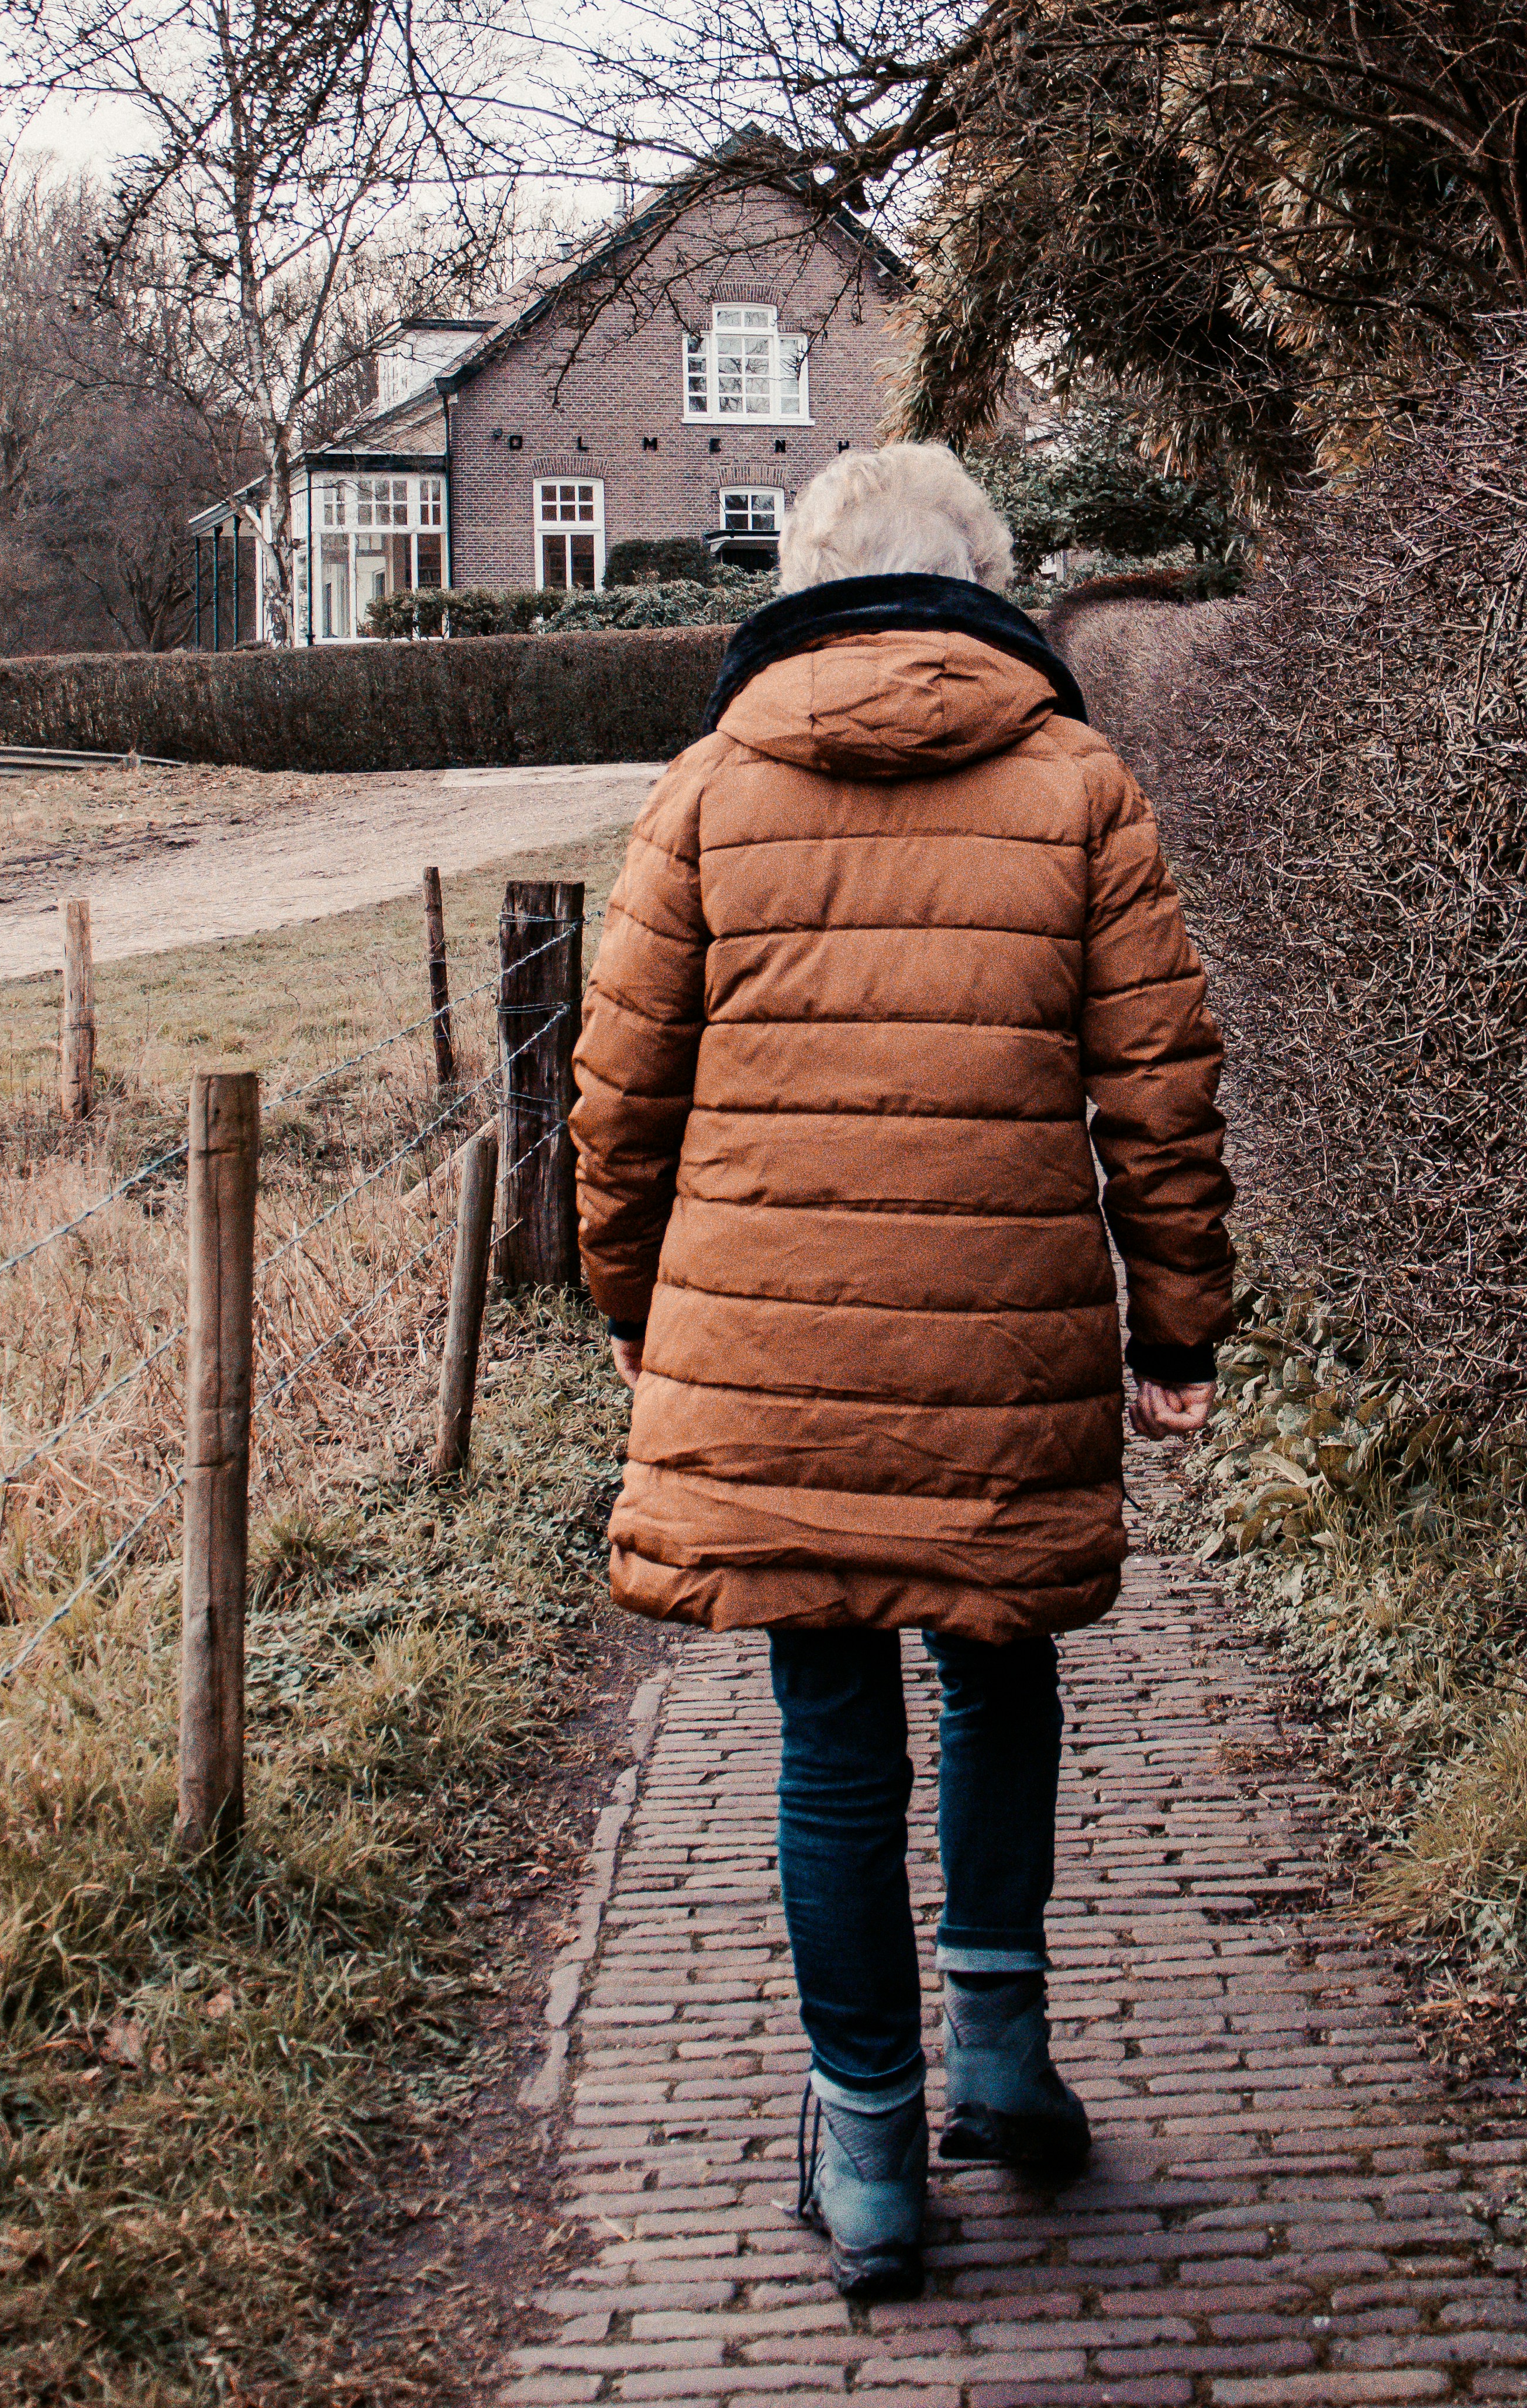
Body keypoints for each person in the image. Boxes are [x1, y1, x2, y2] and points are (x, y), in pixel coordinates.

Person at [569, 442, 1234, 2302]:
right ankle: (1004, 2066)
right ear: (991, 582)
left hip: (770, 1354)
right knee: (1001, 1670)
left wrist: (635, 1304)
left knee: (832, 1740)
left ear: (802, 582)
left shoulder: (708, 791)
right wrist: (1176, 1325)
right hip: (1002, 1343)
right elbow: (1160, 1097)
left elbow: (620, 1100)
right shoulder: (1077, 779)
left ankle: (868, 2163)